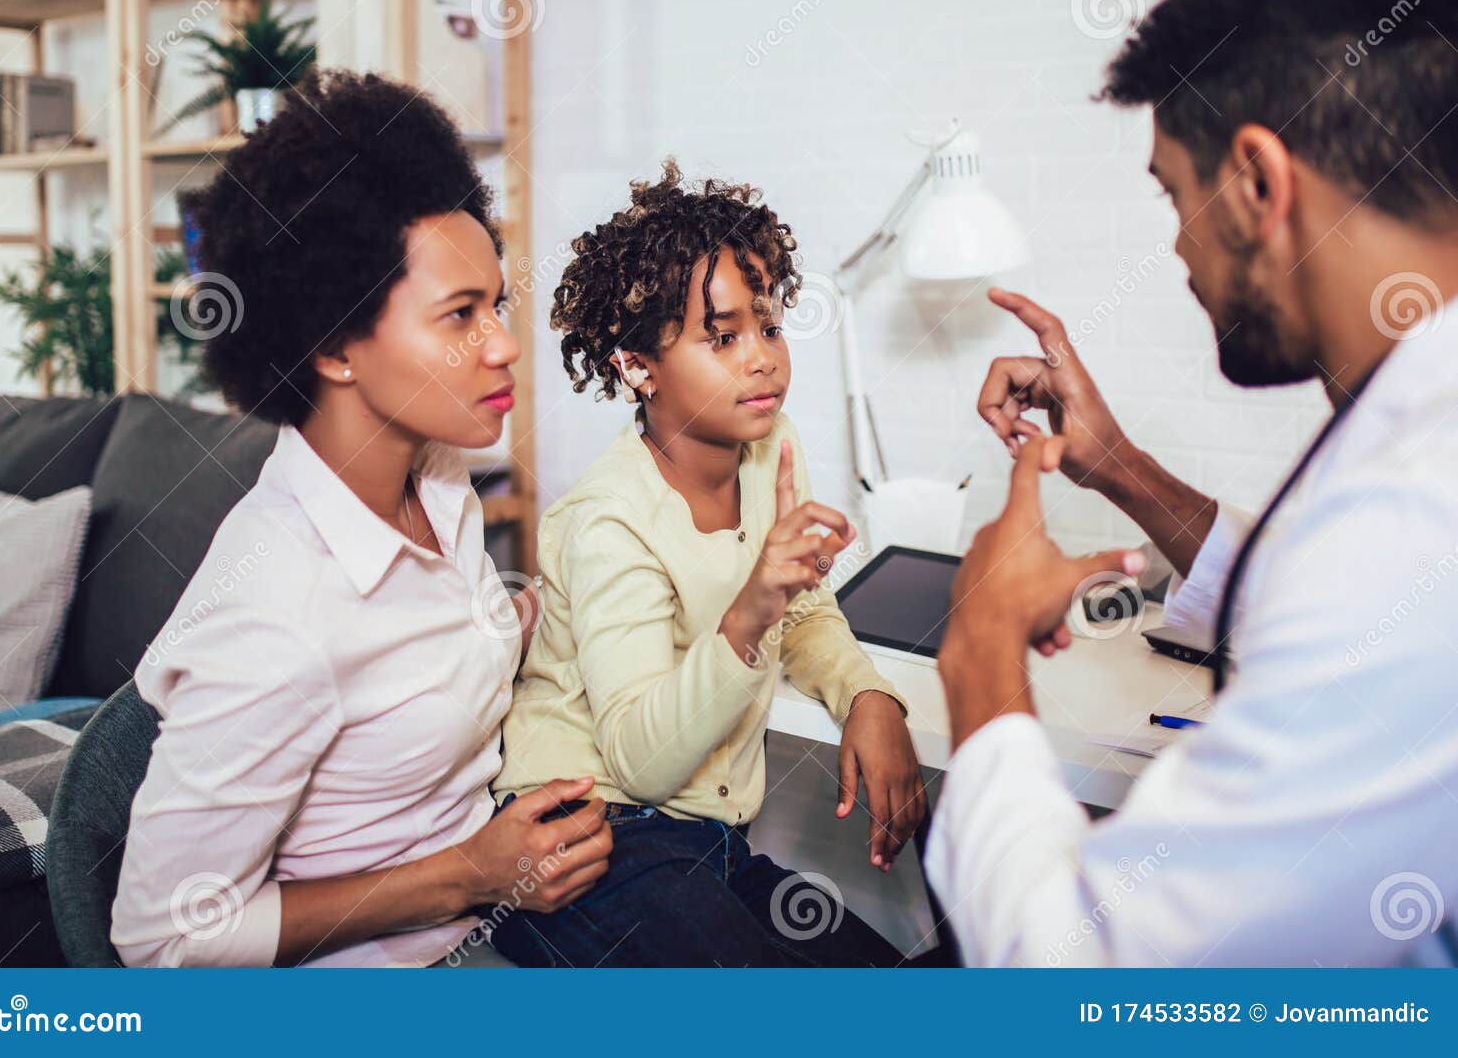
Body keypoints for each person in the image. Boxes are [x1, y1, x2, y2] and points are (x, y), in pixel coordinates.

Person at [924, 0, 1458, 965]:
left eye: (1174, 193)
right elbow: (1320, 611)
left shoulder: (1414, 516)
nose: (1175, 244)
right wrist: (1113, 462)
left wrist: (980, 643)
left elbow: (1076, 981)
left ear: (1258, 181)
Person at [110, 70, 612, 968]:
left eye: (494, 303)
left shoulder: (441, 477)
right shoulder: (277, 610)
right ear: (334, 345)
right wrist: (470, 872)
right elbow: (163, 938)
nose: (502, 342)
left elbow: (442, 646)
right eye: (460, 315)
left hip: (514, 924)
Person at [489, 162, 925, 966]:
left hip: (707, 842)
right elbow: (639, 760)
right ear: (636, 367)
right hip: (588, 835)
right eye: (721, 336)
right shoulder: (608, 519)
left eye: (768, 324)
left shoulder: (770, 444)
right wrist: (749, 609)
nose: (760, 357)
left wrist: (865, 692)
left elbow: (802, 606)